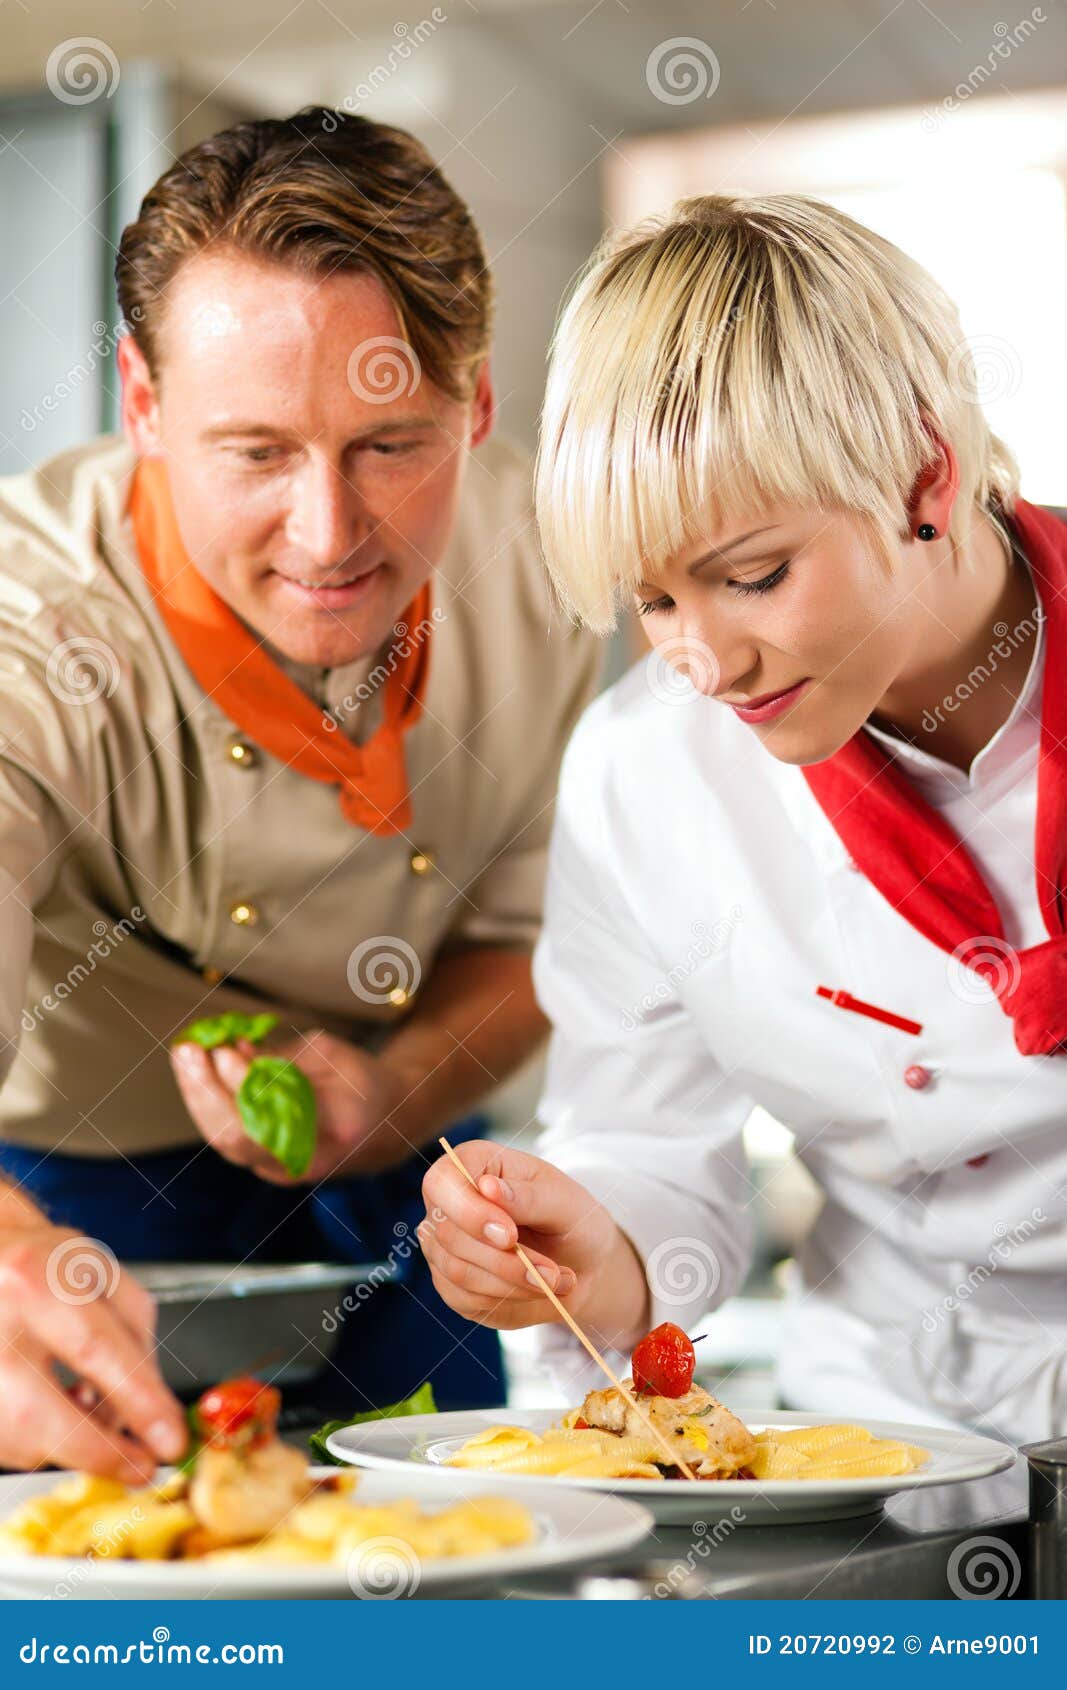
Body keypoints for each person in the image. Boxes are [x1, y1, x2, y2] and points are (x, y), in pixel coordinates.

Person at [0, 108, 598, 1482]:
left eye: (390, 443)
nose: (327, 537)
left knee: (462, 1560)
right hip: (61, 1198)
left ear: (478, 403)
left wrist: (390, 1094)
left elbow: (529, 945)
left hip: (407, 1169)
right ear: (142, 406)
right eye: (256, 450)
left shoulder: (548, 565)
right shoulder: (34, 623)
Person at [421, 193, 1067, 1444]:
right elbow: (649, 1149)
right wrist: (588, 1244)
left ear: (922, 474)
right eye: (652, 599)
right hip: (896, 1434)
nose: (702, 662)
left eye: (753, 576)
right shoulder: (641, 775)